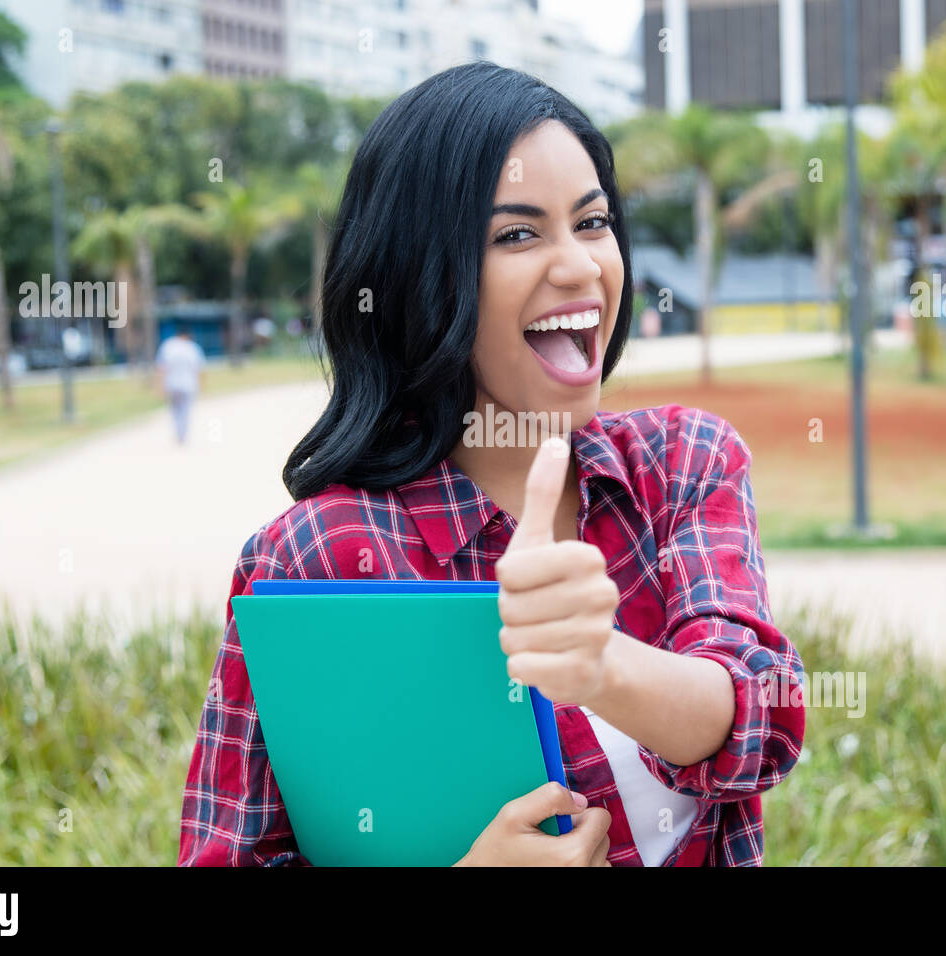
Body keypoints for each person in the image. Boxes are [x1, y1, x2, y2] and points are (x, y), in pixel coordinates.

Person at [178, 61, 806, 867]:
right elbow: (231, 855)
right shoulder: (317, 556)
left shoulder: (681, 463)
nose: (580, 266)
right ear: (418, 275)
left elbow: (764, 720)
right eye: (517, 234)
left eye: (593, 222)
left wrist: (601, 662)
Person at [155, 329, 206, 445]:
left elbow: (161, 368)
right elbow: (200, 369)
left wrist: (159, 386)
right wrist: (202, 386)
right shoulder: (193, 348)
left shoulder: (168, 346)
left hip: (171, 384)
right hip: (188, 384)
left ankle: (178, 434)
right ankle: (182, 435)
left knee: (175, 410)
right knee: (185, 411)